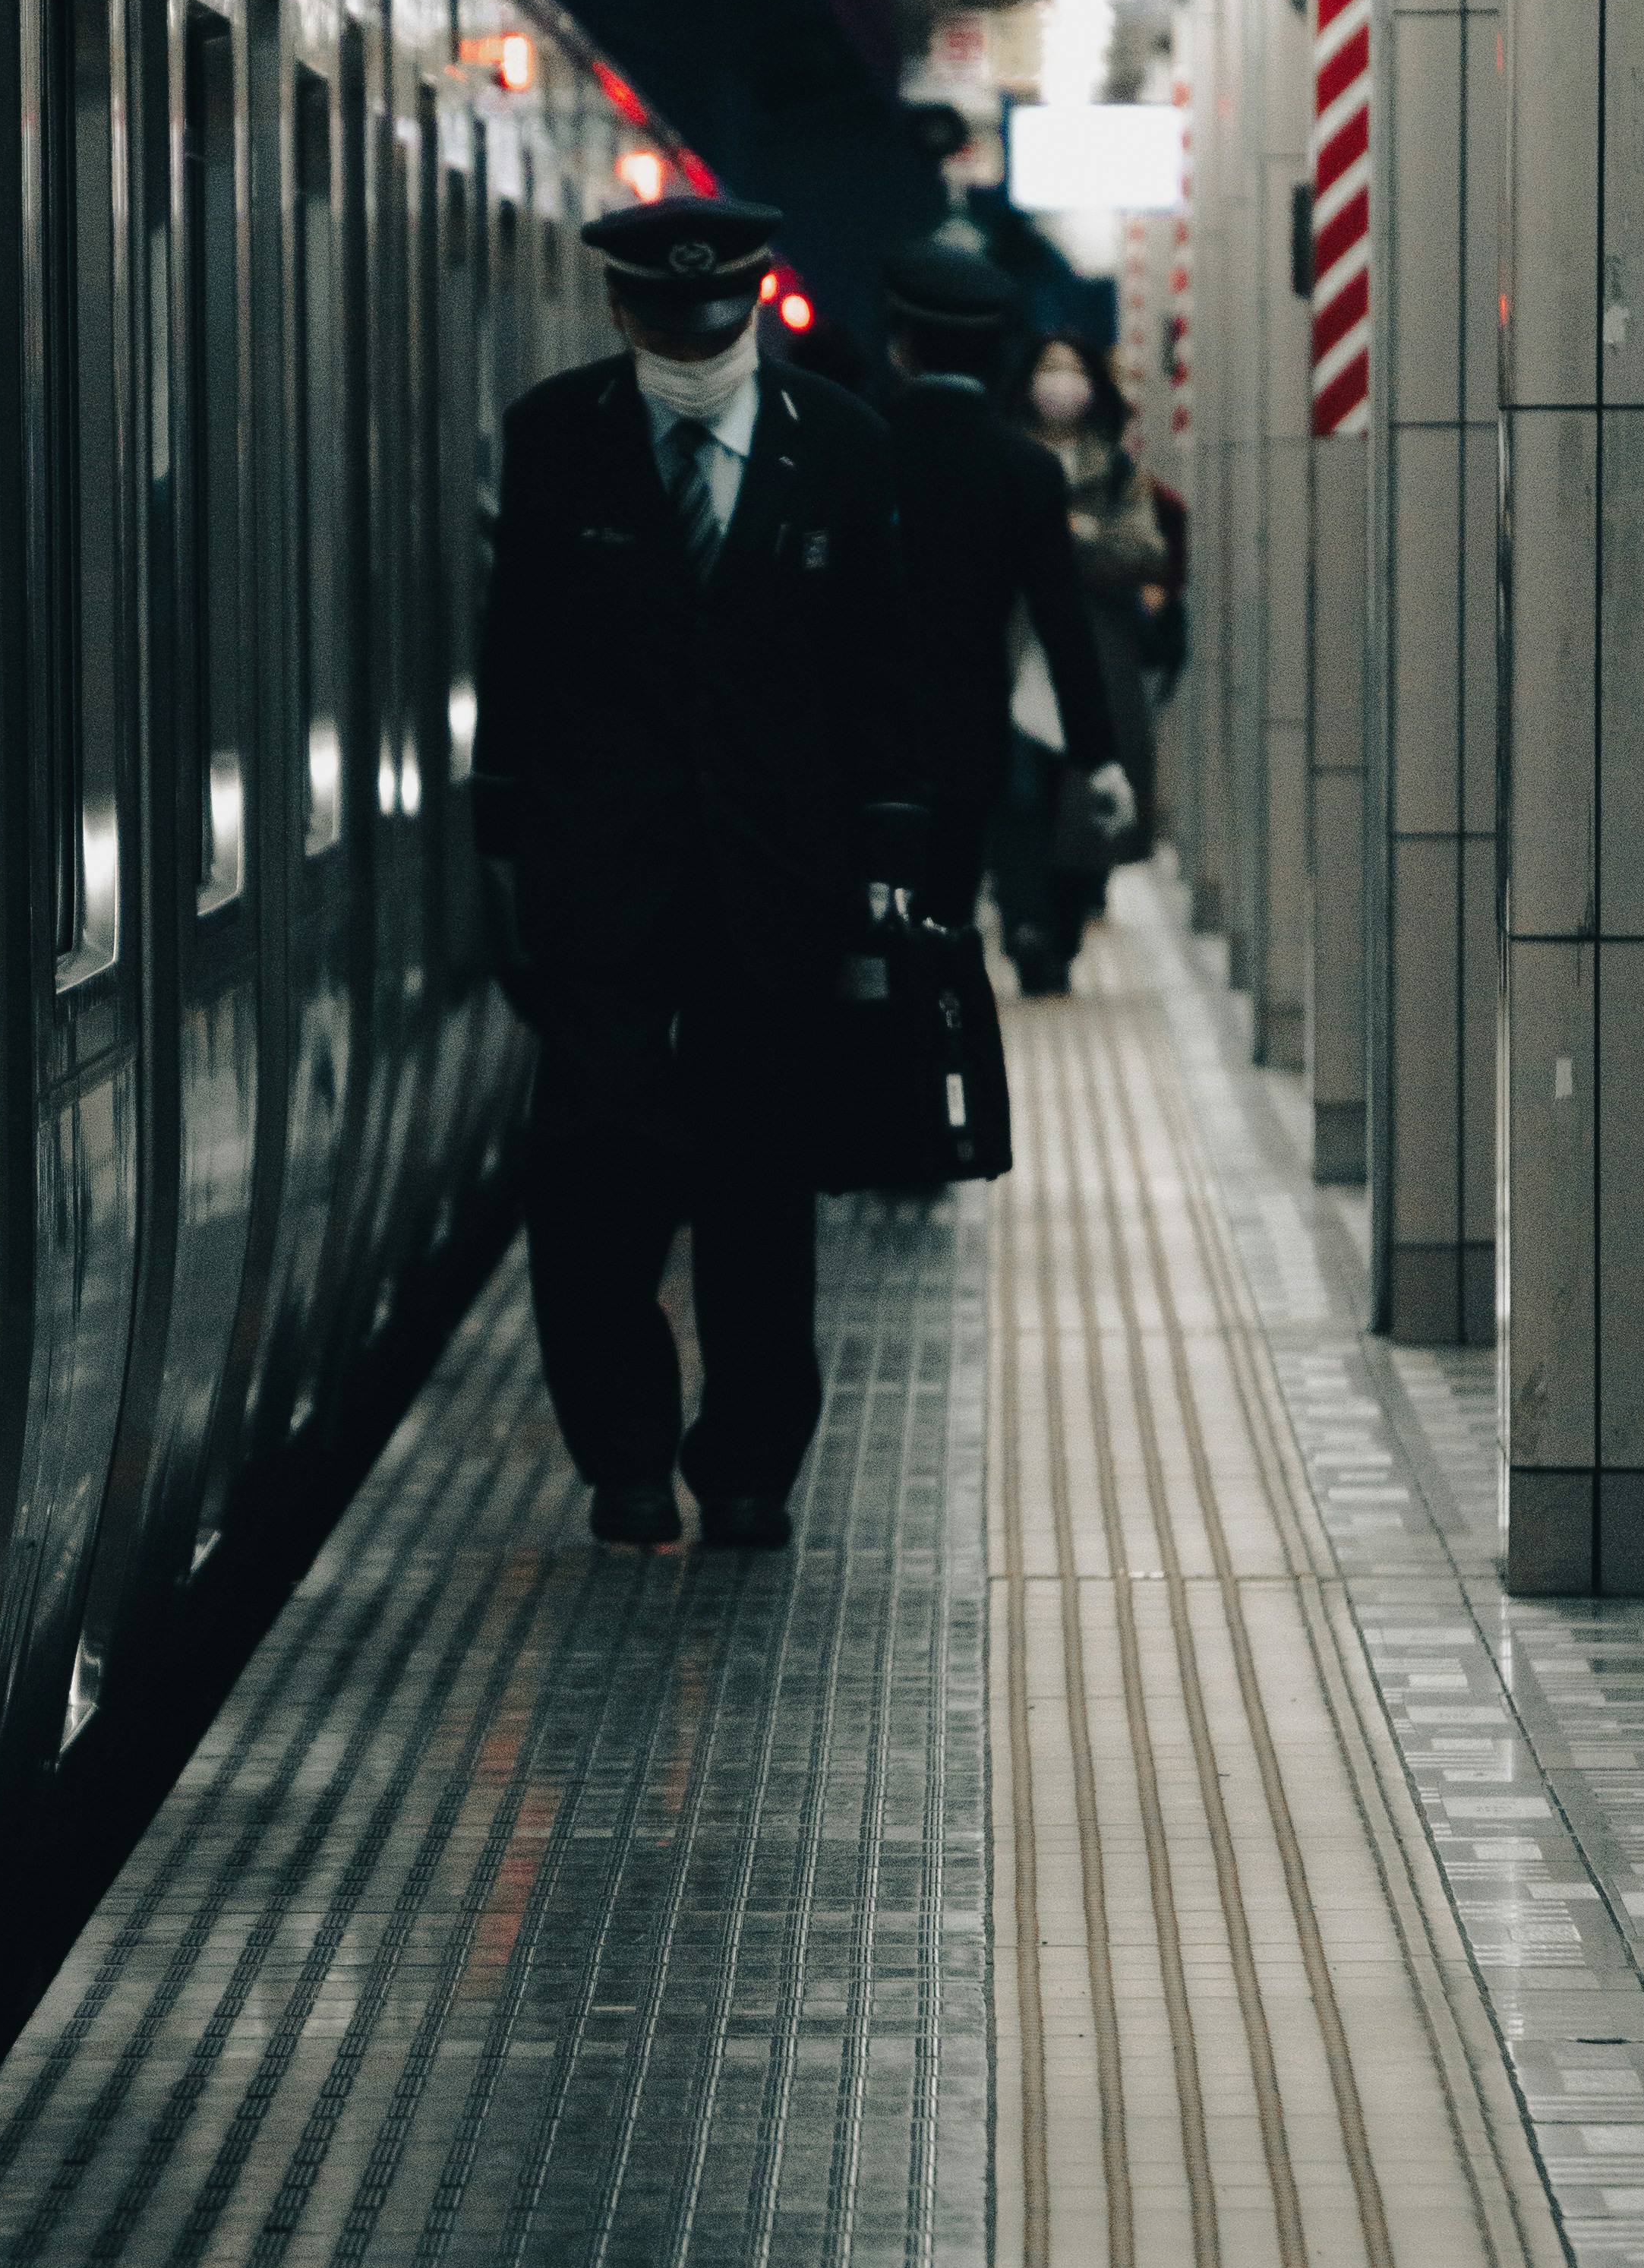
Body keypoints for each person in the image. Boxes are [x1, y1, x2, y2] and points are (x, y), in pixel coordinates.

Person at [473, 192, 918, 1553]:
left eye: (715, 321)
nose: (692, 344)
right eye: (666, 323)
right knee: (590, 1164)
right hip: (598, 885)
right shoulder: (557, 439)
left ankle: (748, 1468)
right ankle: (621, 1450)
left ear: (755, 307)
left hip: (776, 889)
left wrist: (885, 875)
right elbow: (517, 666)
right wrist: (501, 867)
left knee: (760, 1188)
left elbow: (877, 682)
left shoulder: (838, 448)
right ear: (620, 314)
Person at [879, 237, 1132, 949]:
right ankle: (941, 1033)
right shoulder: (1023, 469)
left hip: (861, 739)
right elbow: (1061, 620)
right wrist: (1099, 755)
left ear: (903, 343)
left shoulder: (858, 446)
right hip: (970, 737)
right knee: (946, 914)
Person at [991, 333, 1174, 992]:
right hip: (1013, 653)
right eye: (1048, 370)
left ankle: (1060, 932)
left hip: (1092, 657)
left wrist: (1072, 535)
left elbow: (1145, 554)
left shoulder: (1118, 471)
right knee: (1017, 800)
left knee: (1084, 802)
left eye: (1072, 371)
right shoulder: (1000, 457)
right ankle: (1025, 928)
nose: (1060, 384)